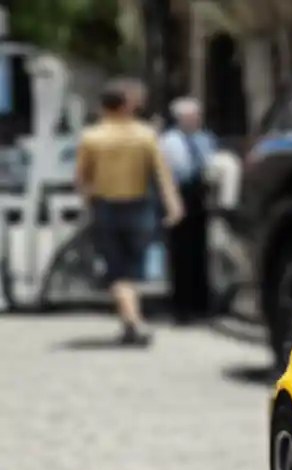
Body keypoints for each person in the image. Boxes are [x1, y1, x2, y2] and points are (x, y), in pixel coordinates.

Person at [74, 78, 184, 345]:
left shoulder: (91, 137)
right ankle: (131, 320)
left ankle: (133, 321)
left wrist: (87, 202)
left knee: (117, 270)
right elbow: (161, 173)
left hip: (106, 206)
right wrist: (173, 204)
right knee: (131, 270)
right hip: (139, 207)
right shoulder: (145, 135)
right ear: (127, 106)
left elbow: (81, 178)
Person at [160, 97, 217, 323]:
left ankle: (202, 302)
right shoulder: (169, 140)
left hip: (201, 194)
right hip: (177, 193)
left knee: (201, 250)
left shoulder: (205, 139)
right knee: (179, 252)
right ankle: (181, 305)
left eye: (197, 116)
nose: (195, 120)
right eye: (191, 116)